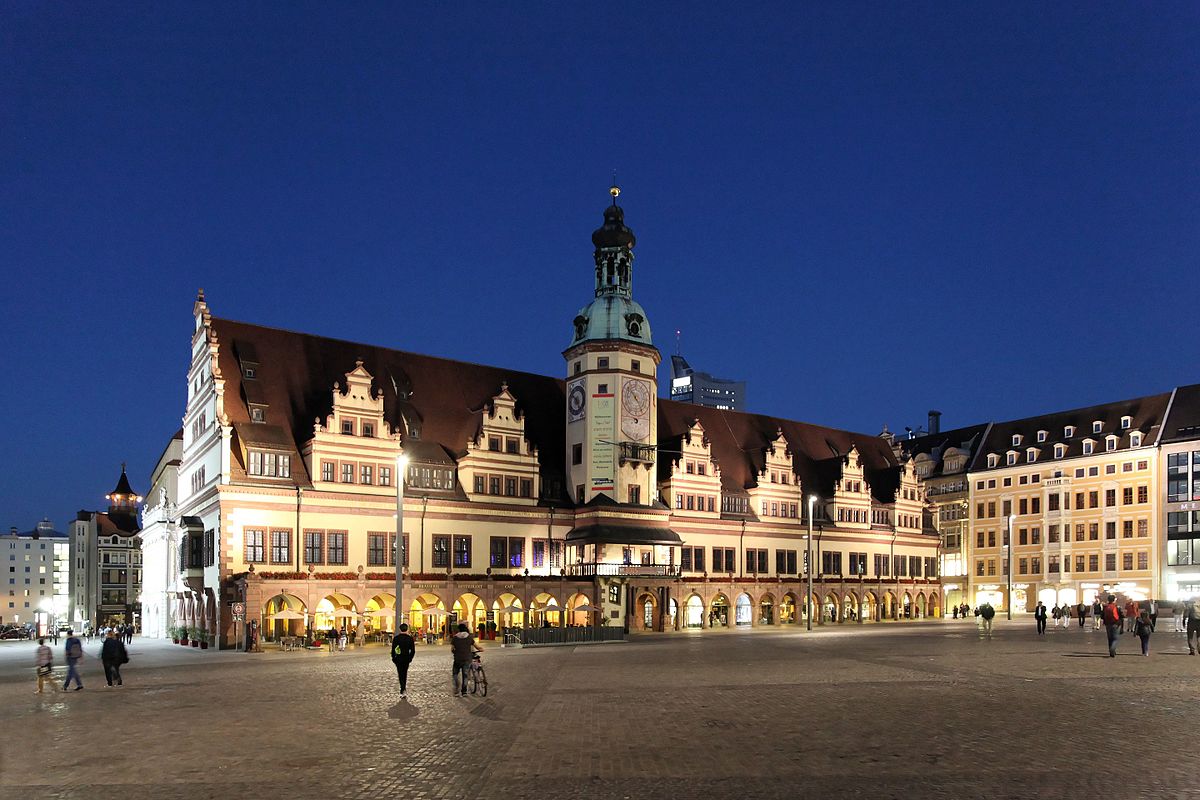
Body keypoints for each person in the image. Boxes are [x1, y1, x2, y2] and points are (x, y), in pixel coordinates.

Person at [450, 622, 478, 697]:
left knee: (455, 674)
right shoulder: (469, 637)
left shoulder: (455, 637)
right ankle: (464, 692)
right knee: (465, 675)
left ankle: (456, 689)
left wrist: (455, 652)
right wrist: (481, 649)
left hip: (458, 659)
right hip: (467, 658)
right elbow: (476, 646)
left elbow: (452, 649)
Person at [391, 623, 416, 697]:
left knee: (400, 673)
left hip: (398, 658)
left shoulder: (396, 638)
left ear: (400, 629)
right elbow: (413, 650)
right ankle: (403, 687)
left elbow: (393, 650)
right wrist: (410, 658)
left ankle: (402, 688)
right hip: (406, 658)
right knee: (405, 673)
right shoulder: (410, 638)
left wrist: (393, 658)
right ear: (407, 629)